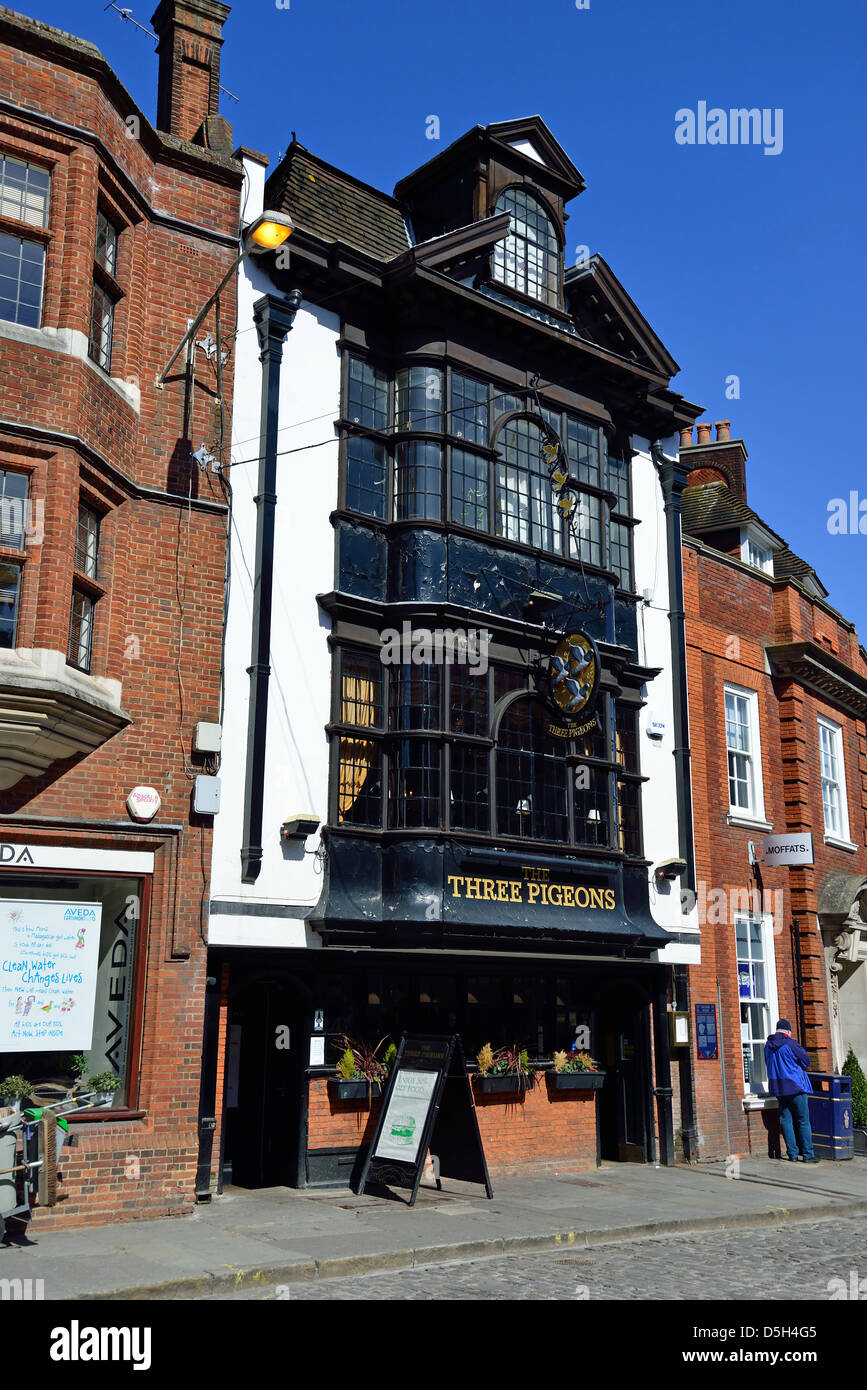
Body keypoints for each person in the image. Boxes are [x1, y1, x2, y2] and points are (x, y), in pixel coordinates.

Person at [764, 1018, 819, 1162]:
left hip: (779, 1088)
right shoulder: (791, 1044)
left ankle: (792, 1154)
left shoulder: (768, 1046)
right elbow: (806, 1061)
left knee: (786, 1121)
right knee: (803, 1121)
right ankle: (808, 1154)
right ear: (788, 1031)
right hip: (795, 1087)